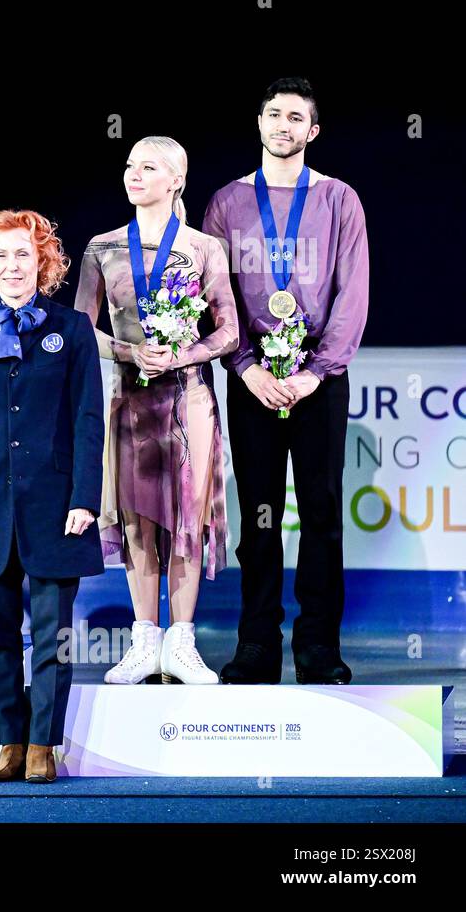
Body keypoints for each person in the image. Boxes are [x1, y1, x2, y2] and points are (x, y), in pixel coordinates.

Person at [203, 78, 369, 685]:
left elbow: (353, 293)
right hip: (252, 384)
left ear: (312, 132)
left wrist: (316, 373)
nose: (283, 125)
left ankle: (320, 650)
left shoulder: (338, 200)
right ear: (259, 121)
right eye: (274, 113)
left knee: (321, 514)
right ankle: (256, 648)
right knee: (262, 515)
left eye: (295, 117)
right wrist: (244, 365)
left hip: (316, 385)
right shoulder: (225, 203)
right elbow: (213, 296)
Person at [0, 210, 104, 783]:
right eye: (2, 256)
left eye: (23, 255)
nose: (13, 266)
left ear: (43, 262)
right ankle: (9, 742)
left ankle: (44, 744)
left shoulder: (74, 327)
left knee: (53, 635)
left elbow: (88, 419)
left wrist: (85, 497)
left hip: (56, 503)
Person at [74, 137, 238, 685]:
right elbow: (81, 328)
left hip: (190, 397)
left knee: (189, 520)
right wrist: (129, 351)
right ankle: (145, 641)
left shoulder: (204, 248)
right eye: (128, 165)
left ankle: (182, 644)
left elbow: (230, 331)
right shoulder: (101, 248)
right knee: (138, 520)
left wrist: (183, 353)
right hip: (131, 399)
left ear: (176, 180)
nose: (133, 175)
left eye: (148, 167)